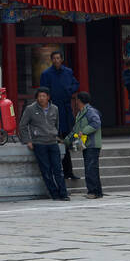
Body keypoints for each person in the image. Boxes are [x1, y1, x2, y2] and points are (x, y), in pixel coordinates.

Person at [19, 87, 68, 201]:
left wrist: (55, 135)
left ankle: (64, 193)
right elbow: (22, 125)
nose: (41, 98)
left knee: (58, 169)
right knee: (46, 170)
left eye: (44, 96)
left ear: (48, 97)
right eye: (39, 96)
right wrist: (28, 140)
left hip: (52, 142)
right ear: (36, 98)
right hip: (39, 143)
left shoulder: (55, 108)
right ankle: (54, 194)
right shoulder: (30, 109)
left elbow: (56, 124)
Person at [39, 51, 79, 180]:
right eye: (54, 58)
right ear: (51, 60)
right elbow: (43, 91)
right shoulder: (46, 74)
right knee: (55, 139)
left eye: (58, 58)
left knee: (67, 140)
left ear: (62, 59)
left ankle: (69, 172)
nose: (56, 60)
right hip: (53, 109)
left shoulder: (68, 72)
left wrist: (69, 90)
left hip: (66, 108)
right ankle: (57, 171)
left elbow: (76, 84)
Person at [69, 91, 103, 199]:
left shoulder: (90, 111)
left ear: (79, 100)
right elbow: (76, 129)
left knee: (90, 168)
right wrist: (67, 140)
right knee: (91, 168)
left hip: (92, 144)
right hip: (86, 144)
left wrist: (84, 131)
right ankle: (97, 191)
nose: (75, 102)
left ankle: (93, 191)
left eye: (76, 99)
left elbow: (96, 123)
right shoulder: (81, 112)